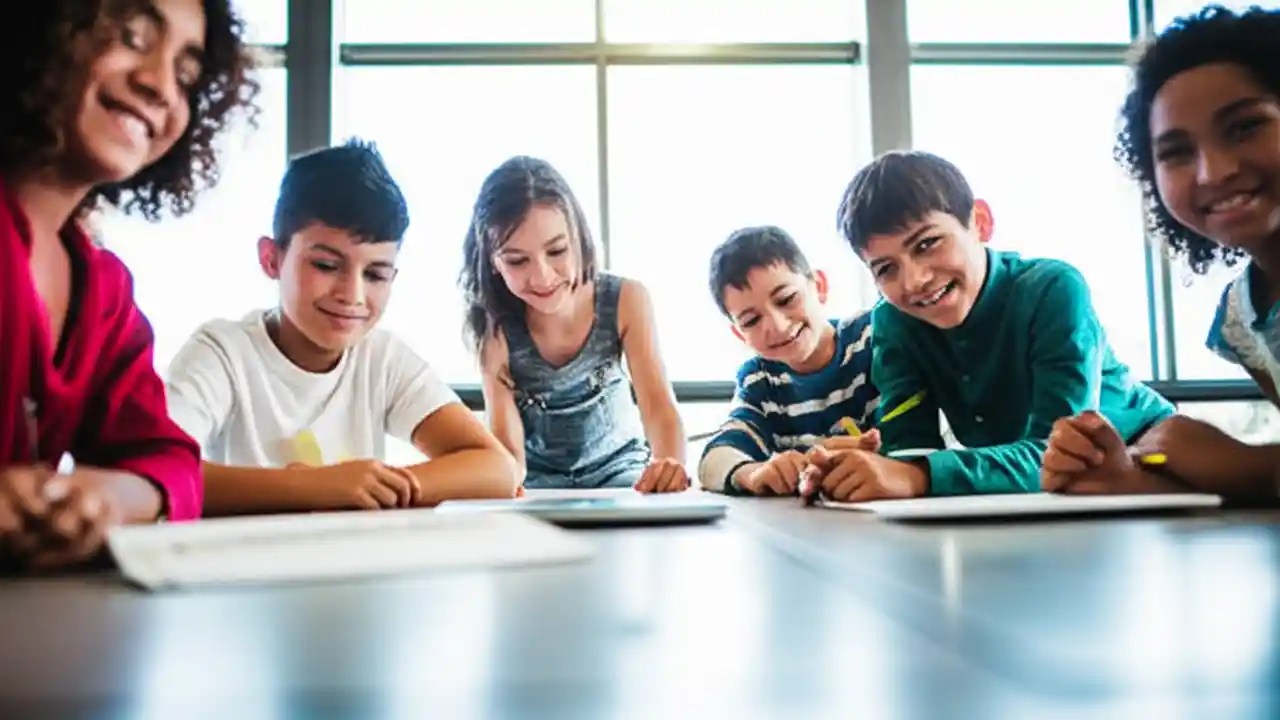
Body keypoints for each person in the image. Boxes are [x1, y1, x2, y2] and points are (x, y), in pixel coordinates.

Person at [1, 0, 259, 569]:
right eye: (131, 35)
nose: (161, 86)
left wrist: (109, 497)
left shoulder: (103, 291)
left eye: (187, 75)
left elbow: (170, 460)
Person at [165, 140, 520, 515]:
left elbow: (498, 469)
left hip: (354, 565)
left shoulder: (381, 358)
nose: (352, 295)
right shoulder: (223, 352)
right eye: (325, 266)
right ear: (272, 259)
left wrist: (378, 486)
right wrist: (314, 487)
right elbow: (159, 471)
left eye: (376, 274)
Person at [810, 149, 1174, 502]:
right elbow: (908, 447)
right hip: (1036, 499)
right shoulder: (893, 320)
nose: (914, 281)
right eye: (886, 269)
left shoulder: (1054, 288)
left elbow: (1060, 459)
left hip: (1152, 462)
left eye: (927, 244)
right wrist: (850, 475)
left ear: (980, 222)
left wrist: (915, 474)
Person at [1044, 5, 1280, 498]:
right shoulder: (1243, 315)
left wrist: (1234, 461)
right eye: (1175, 152)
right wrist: (1126, 478)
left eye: (1245, 127)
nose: (1213, 172)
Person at [460, 156, 689, 492]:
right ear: (493, 262)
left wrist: (669, 468)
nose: (542, 276)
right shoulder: (495, 331)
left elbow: (657, 406)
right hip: (539, 483)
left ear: (579, 238)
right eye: (517, 260)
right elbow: (509, 452)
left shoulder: (626, 299)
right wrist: (509, 490)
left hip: (621, 471)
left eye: (557, 251)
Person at [697, 225, 879, 496]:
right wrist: (754, 473)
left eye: (786, 299)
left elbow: (911, 438)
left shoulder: (871, 337)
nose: (778, 326)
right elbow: (714, 460)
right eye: (751, 320)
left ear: (819, 287)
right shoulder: (760, 379)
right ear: (739, 333)